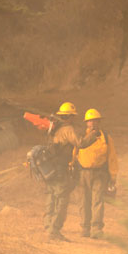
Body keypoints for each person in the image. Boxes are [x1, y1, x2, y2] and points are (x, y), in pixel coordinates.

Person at [76, 108, 119, 239]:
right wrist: (70, 166)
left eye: (95, 121)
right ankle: (85, 228)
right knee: (84, 201)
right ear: (86, 123)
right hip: (83, 173)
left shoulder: (106, 137)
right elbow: (74, 152)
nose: (93, 123)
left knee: (97, 201)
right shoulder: (81, 137)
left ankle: (96, 229)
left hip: (100, 174)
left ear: (99, 122)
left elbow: (112, 157)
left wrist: (113, 175)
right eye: (90, 121)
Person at [43, 102, 81, 241]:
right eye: (73, 116)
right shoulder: (68, 129)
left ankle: (48, 226)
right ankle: (54, 231)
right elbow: (80, 143)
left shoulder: (54, 129)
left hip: (51, 170)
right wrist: (91, 137)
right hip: (60, 170)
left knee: (51, 197)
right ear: (70, 117)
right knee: (62, 200)